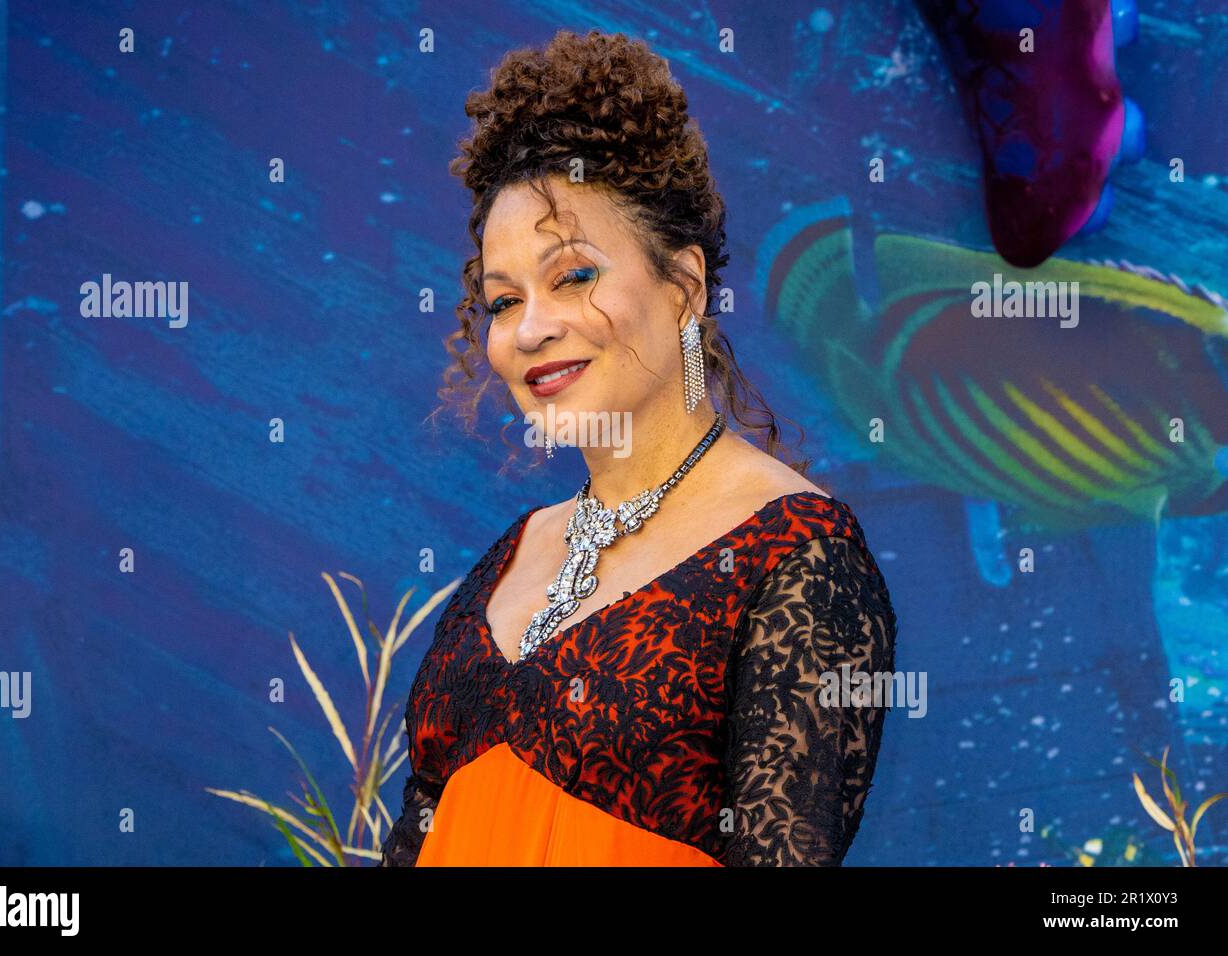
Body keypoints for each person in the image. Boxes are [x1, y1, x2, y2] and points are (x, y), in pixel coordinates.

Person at [381, 28, 897, 866]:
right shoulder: (510, 556)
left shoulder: (798, 556)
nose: (531, 328)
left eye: (573, 276)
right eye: (503, 300)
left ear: (684, 286)